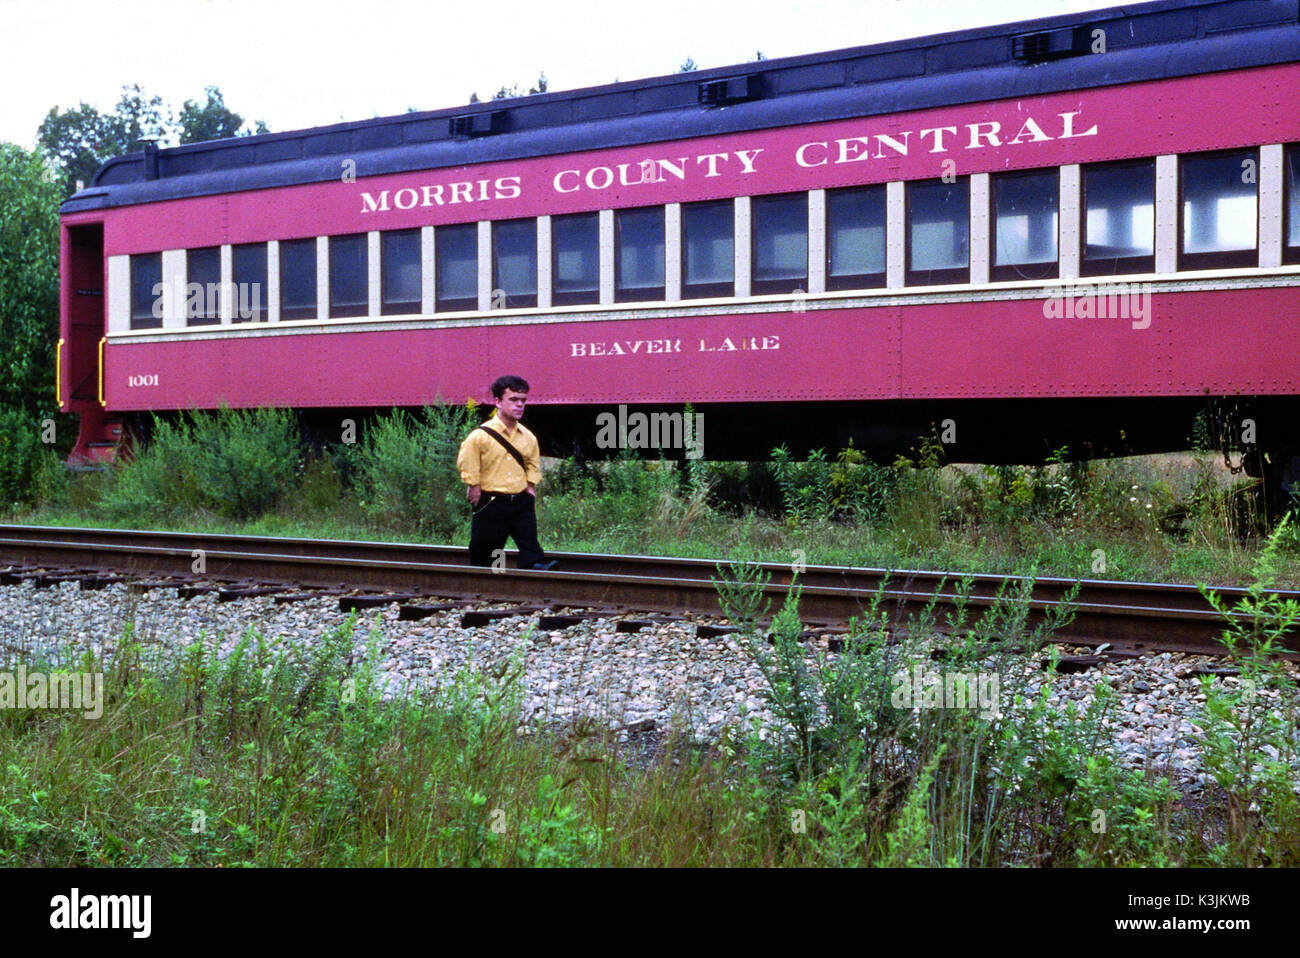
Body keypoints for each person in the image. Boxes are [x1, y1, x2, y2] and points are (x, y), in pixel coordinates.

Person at [456, 375, 557, 571]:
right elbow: (468, 462)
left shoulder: (528, 437)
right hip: (492, 500)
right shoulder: (480, 436)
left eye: (523, 400)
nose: (519, 405)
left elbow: (533, 464)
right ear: (498, 402)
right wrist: (474, 486)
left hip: (520, 499)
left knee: (529, 541)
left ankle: (533, 565)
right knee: (488, 549)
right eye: (513, 400)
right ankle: (494, 582)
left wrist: (530, 487)